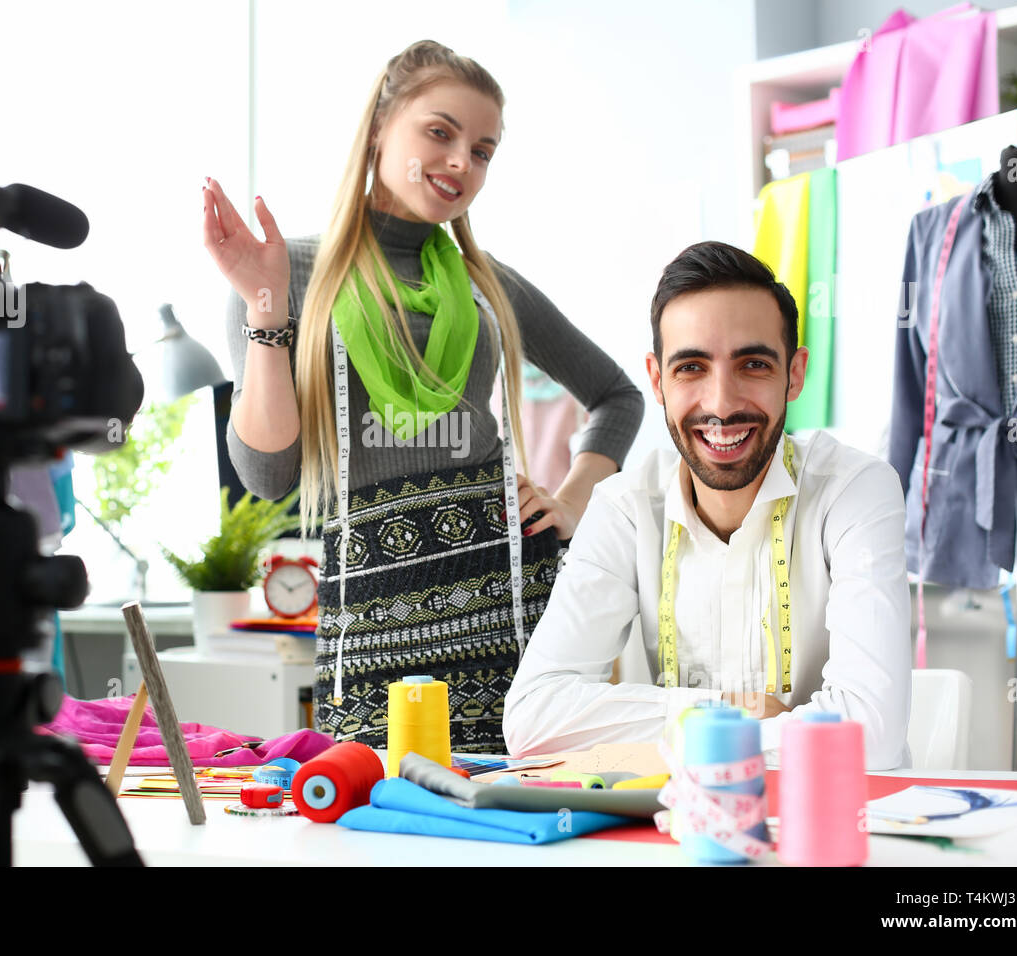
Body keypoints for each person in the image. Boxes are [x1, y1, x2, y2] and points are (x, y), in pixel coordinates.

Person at [201, 39, 642, 752]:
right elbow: (267, 474)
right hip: (372, 622)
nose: (463, 162)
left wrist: (570, 498)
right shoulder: (288, 274)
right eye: (440, 132)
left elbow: (617, 397)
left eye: (484, 149)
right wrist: (263, 307)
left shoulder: (483, 281)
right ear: (380, 128)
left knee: (527, 821)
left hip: (513, 599)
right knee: (376, 823)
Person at [503, 241, 911, 770]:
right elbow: (533, 720)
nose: (721, 403)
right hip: (679, 835)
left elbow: (871, 734)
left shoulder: (857, 490)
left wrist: (672, 732)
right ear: (657, 381)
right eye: (692, 367)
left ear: (794, 374)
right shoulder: (625, 507)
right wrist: (728, 715)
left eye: (754, 364)